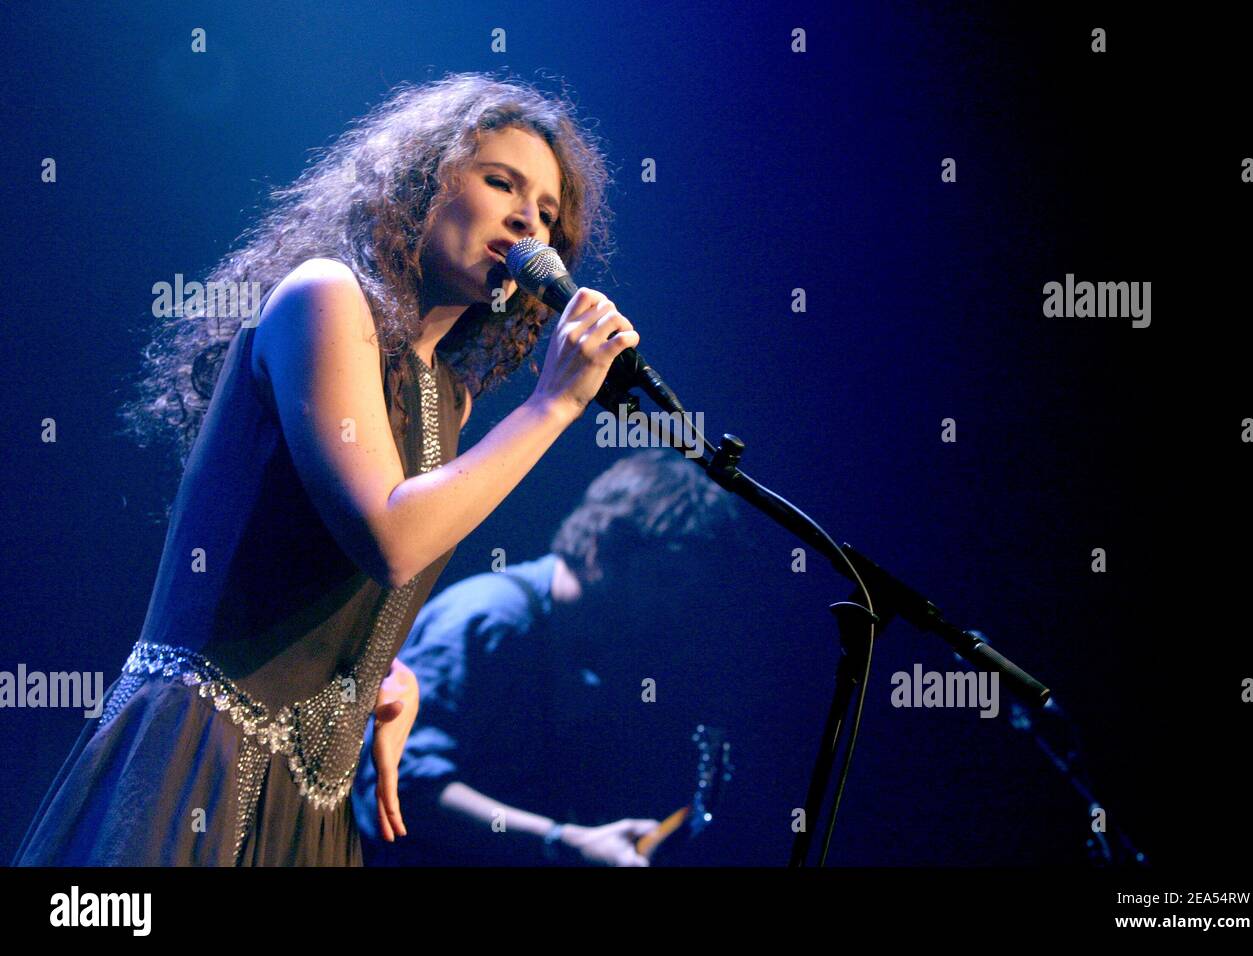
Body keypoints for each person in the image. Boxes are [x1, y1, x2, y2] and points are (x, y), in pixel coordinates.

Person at [12, 71, 637, 866]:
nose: (528, 222)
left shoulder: (450, 398)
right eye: (500, 182)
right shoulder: (325, 297)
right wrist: (552, 406)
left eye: (548, 214)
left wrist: (385, 672)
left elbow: (354, 584)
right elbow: (389, 535)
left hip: (313, 803)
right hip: (199, 756)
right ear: (422, 182)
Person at [351, 449, 744, 866]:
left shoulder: (597, 644)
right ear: (602, 545)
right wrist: (563, 840)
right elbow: (401, 788)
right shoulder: (489, 619)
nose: (671, 606)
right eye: (662, 581)